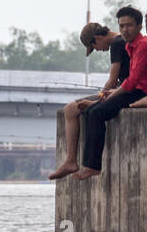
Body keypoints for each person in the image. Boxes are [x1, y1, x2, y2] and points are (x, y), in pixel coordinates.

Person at [73, 6, 147, 180]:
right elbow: (131, 81)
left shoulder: (143, 45)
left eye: (129, 25)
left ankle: (92, 166)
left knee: (97, 113)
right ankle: (88, 164)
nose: (124, 30)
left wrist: (114, 93)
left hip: (145, 92)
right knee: (90, 112)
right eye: (121, 26)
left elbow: (132, 81)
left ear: (139, 26)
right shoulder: (131, 46)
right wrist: (114, 92)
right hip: (137, 90)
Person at [48, 20, 129, 179]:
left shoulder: (118, 44)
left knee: (77, 109)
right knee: (70, 109)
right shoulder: (119, 42)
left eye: (94, 47)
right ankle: (71, 161)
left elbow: (112, 80)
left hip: (120, 92)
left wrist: (101, 96)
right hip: (117, 91)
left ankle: (75, 161)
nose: (98, 50)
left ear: (97, 38)